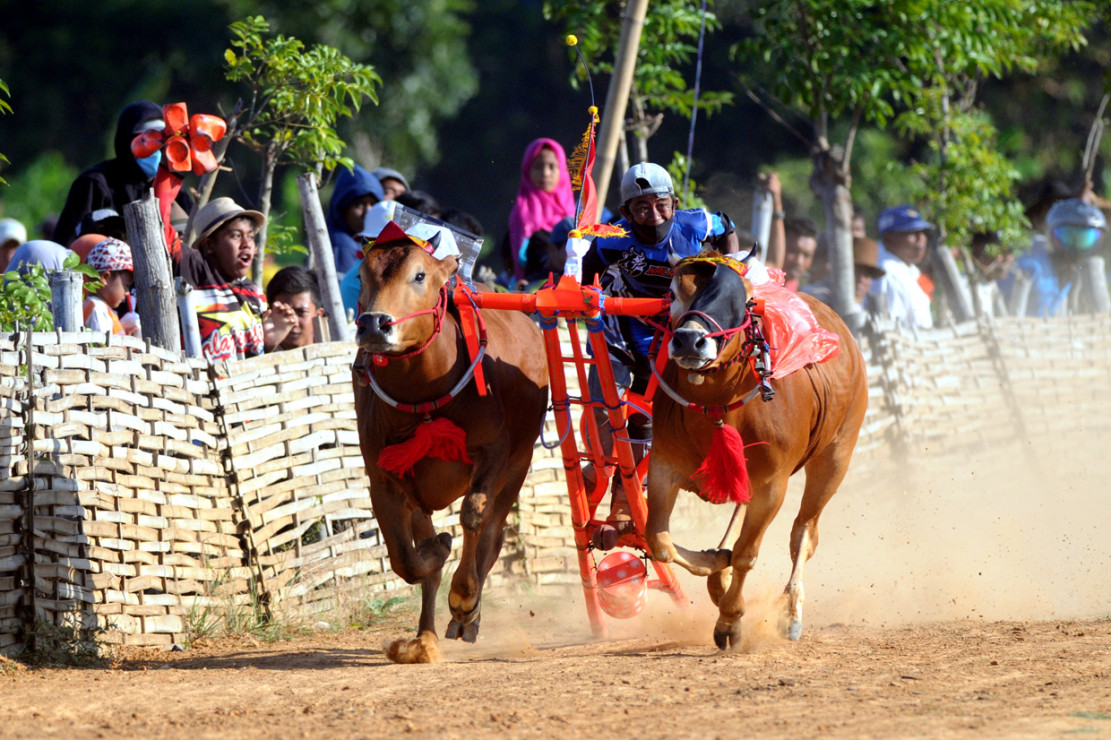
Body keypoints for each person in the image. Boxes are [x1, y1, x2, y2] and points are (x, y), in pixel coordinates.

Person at [581, 162, 740, 543]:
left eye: (661, 205)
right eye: (641, 208)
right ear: (625, 213)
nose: (653, 215)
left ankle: (626, 496)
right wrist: (585, 293)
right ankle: (597, 474)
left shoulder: (697, 223)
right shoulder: (610, 238)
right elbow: (585, 268)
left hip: (675, 330)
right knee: (603, 407)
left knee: (649, 413)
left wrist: (729, 270)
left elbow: (728, 229)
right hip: (623, 328)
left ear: (675, 203)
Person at [53, 101, 190, 247]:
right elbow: (66, 244)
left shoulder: (171, 187)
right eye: (148, 140)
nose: (157, 150)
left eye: (162, 141)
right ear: (126, 142)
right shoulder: (95, 183)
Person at [176, 197, 295, 362]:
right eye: (236, 236)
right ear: (209, 245)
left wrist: (268, 343)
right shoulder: (195, 269)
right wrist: (171, 174)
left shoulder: (254, 293)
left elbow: (252, 361)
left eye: (251, 236)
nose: (247, 244)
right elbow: (159, 229)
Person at [1003, 197, 1107, 317]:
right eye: (1068, 237)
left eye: (1085, 240)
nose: (1076, 249)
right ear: (1051, 235)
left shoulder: (1076, 273)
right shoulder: (1031, 268)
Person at [505, 138, 576, 289]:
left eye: (552, 167)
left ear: (562, 170)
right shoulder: (520, 216)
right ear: (527, 170)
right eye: (538, 167)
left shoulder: (574, 216)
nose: (545, 173)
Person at [869, 205, 934, 329]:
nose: (921, 238)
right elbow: (892, 326)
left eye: (922, 232)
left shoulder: (910, 269)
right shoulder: (887, 271)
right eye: (911, 232)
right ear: (888, 239)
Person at [800, 236, 886, 326]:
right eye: (857, 271)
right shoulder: (815, 297)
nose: (862, 279)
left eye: (868, 274)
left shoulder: (868, 306)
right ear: (843, 270)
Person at [327, 164, 385, 276]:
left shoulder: (363, 243)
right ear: (342, 209)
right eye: (359, 204)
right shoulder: (341, 247)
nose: (368, 212)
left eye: (373, 204)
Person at [82, 237, 140, 336]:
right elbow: (104, 348)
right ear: (105, 277)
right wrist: (134, 345)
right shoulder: (97, 309)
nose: (127, 293)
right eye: (126, 286)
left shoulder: (102, 309)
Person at [265, 265, 325, 350]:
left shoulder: (338, 358)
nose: (293, 322)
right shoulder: (252, 356)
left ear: (319, 315)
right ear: (269, 314)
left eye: (301, 312)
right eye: (283, 312)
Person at [782, 217, 820, 291]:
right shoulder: (758, 283)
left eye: (807, 255)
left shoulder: (803, 291)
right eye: (792, 251)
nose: (799, 262)